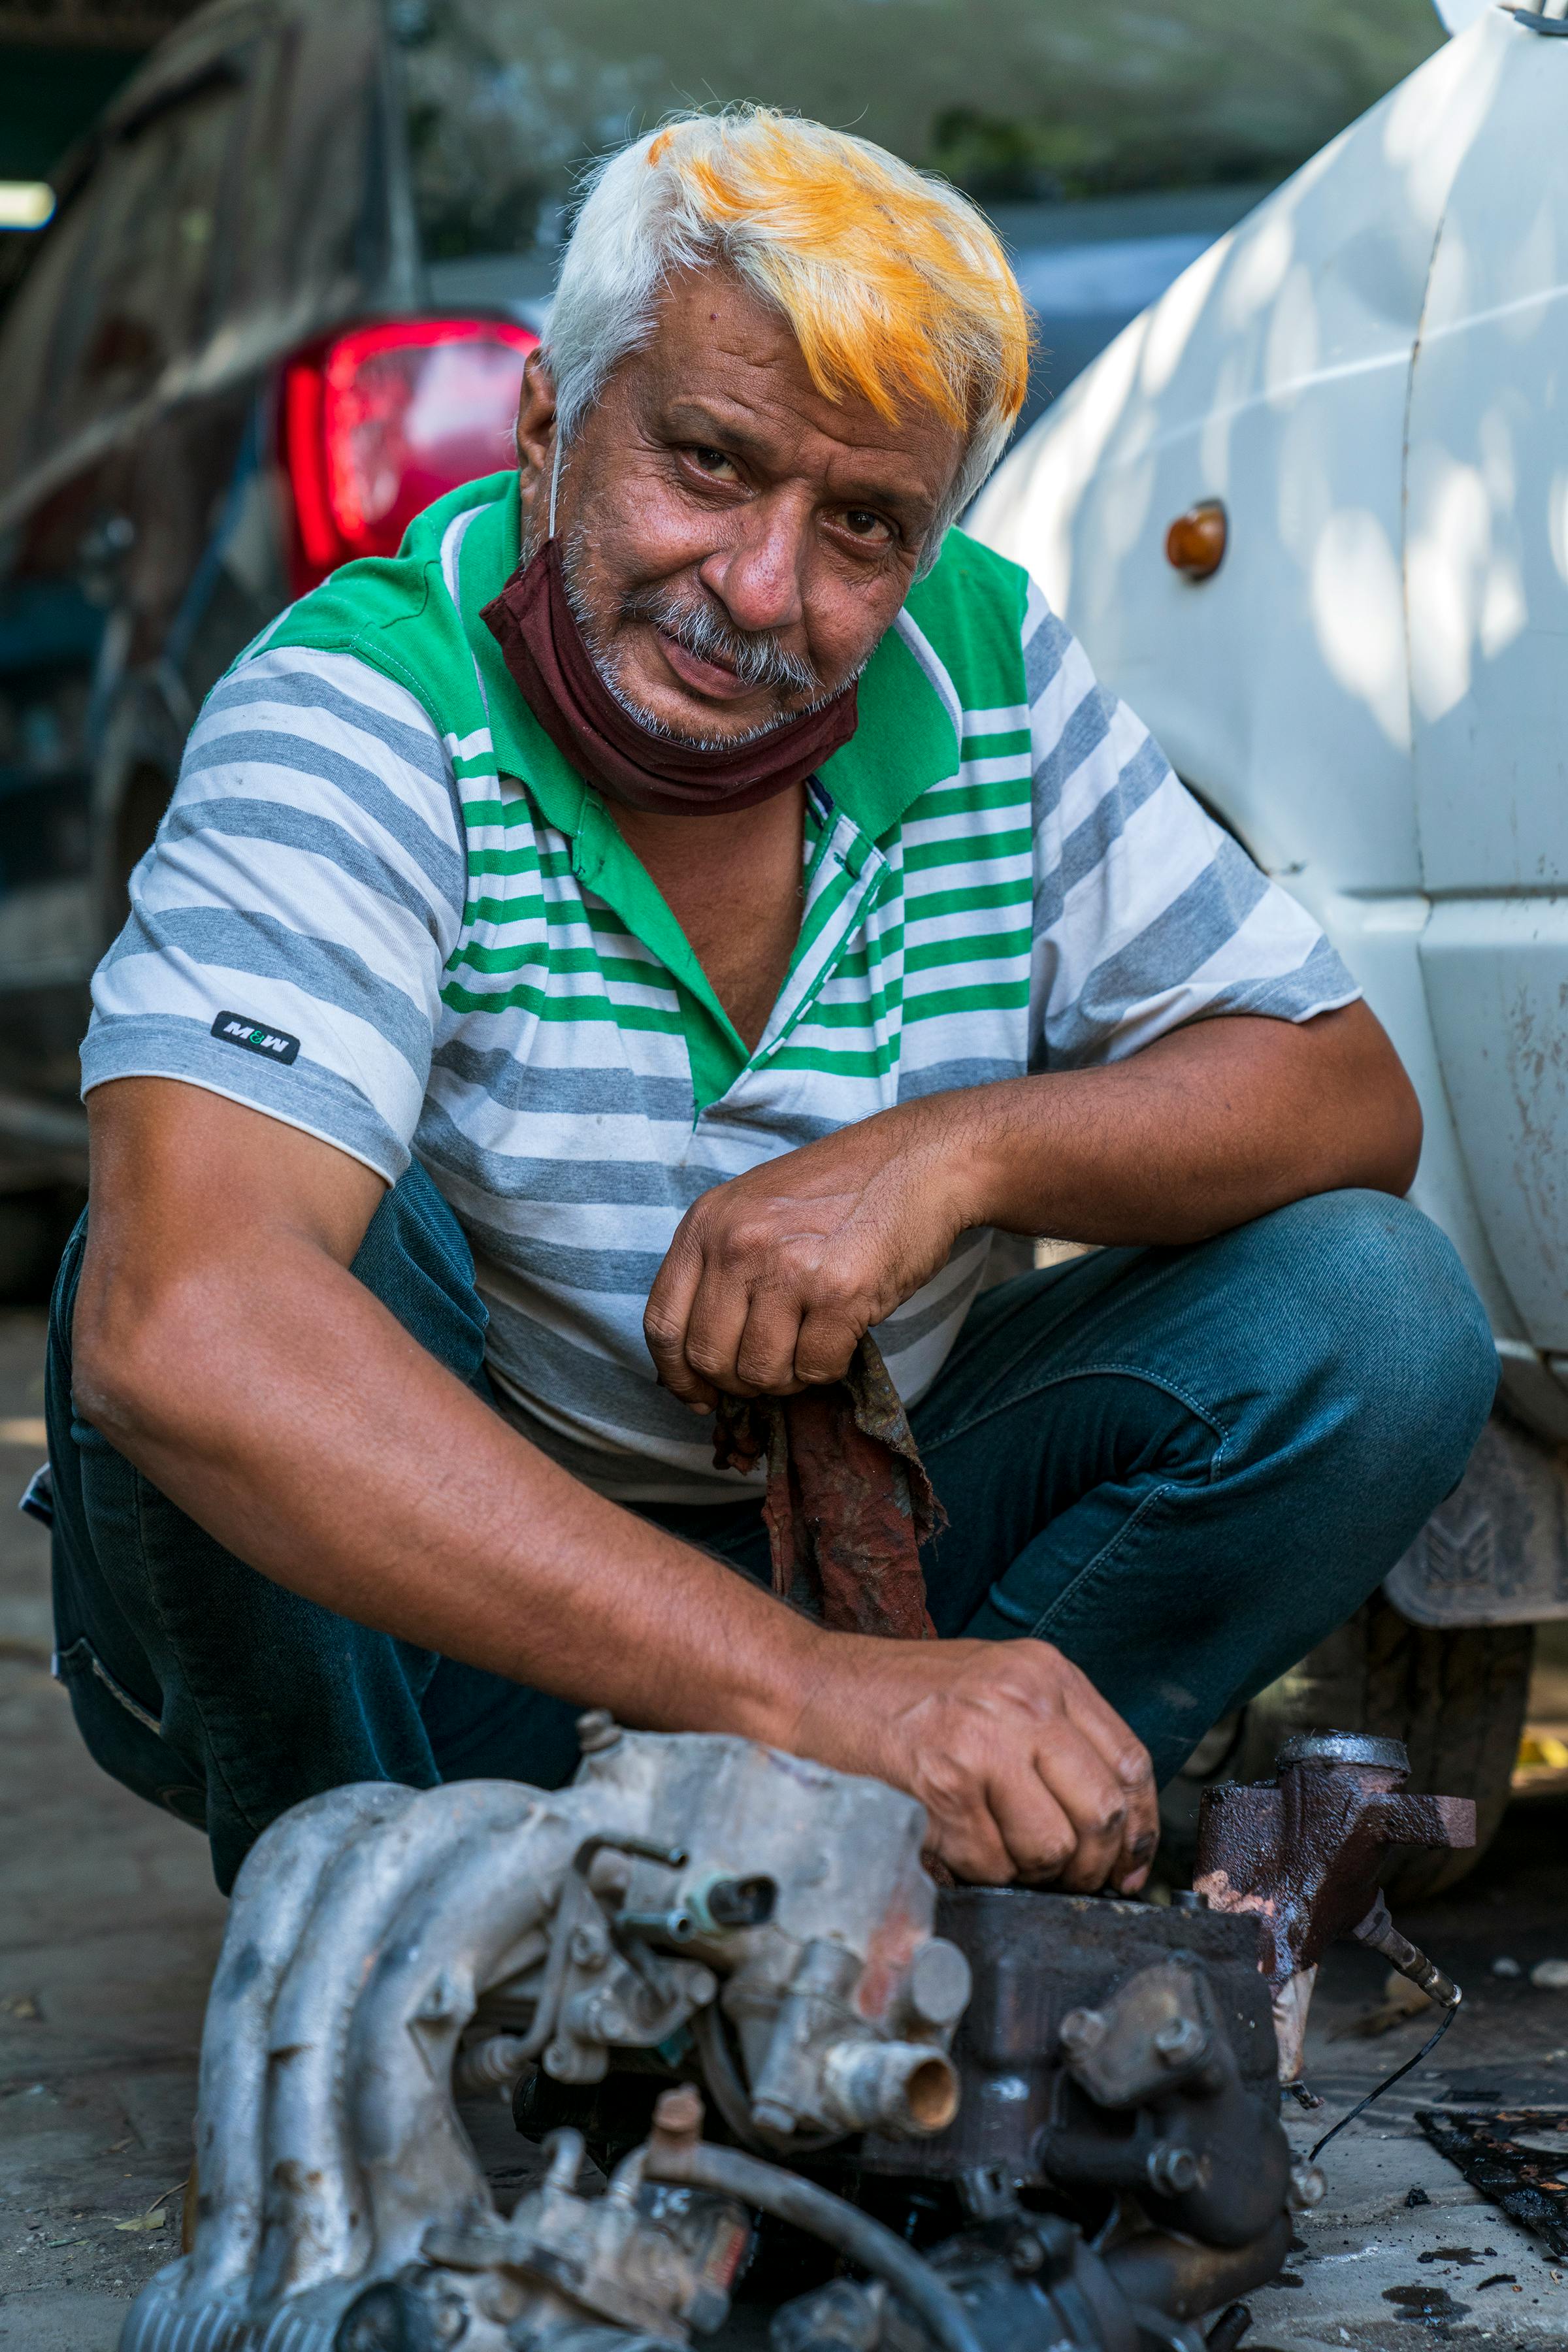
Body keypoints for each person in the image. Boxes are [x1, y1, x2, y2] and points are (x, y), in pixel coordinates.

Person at [47, 109, 1495, 1897]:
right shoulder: (356, 711)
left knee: (1374, 1307)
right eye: (712, 464)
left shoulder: (979, 656)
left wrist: (942, 1161)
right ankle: (388, 1949)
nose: (764, 591)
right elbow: (181, 1324)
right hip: (443, 1638)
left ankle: (896, 1895)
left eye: (866, 525)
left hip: (867, 1562)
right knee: (242, 1248)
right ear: (545, 428)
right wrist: (819, 1693)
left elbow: (1341, 1093)